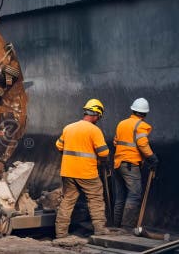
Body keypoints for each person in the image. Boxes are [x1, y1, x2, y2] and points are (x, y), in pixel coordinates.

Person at [54, 99, 113, 238]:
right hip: (87, 173)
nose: (99, 119)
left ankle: (61, 233)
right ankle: (99, 229)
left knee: (67, 201)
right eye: (99, 116)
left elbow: (59, 146)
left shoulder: (68, 127)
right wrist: (103, 161)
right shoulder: (94, 130)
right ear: (96, 114)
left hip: (68, 171)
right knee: (95, 198)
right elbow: (104, 152)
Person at [111, 98, 159, 228]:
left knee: (120, 197)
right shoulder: (141, 126)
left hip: (118, 164)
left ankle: (116, 226)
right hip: (130, 164)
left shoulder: (122, 124)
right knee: (134, 195)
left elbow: (115, 142)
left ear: (133, 110)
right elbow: (142, 144)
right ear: (145, 113)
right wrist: (151, 157)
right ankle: (126, 228)